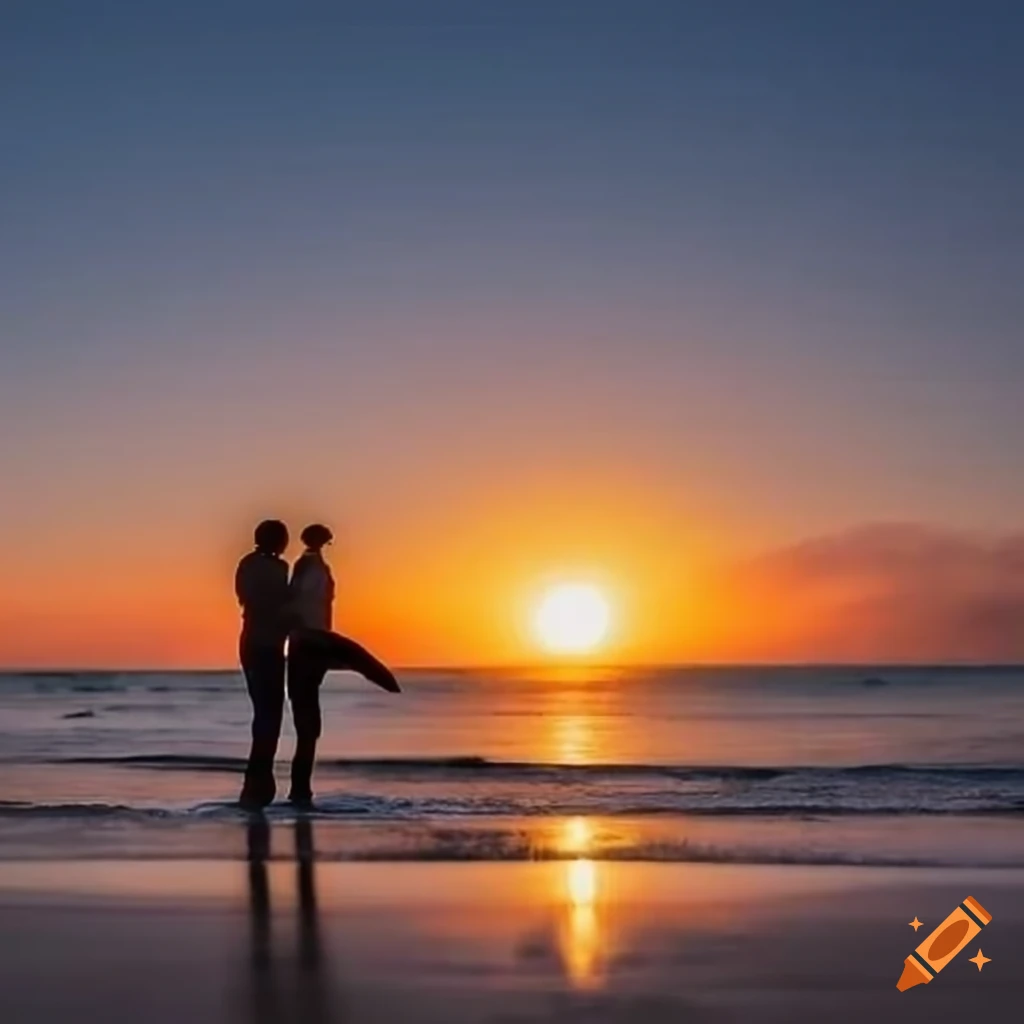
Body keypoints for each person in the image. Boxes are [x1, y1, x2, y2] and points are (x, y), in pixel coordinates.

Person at [235, 519, 291, 809]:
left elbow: (244, 598)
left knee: (266, 713)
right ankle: (258, 781)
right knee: (269, 714)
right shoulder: (274, 568)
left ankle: (258, 779)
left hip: (257, 642)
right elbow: (263, 602)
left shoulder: (248, 564)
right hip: (263, 644)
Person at [286, 523, 336, 807]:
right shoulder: (307, 566)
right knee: (308, 723)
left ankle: (302, 787)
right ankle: (300, 789)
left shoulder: (311, 565)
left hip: (315, 639)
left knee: (309, 722)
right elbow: (301, 601)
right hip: (308, 641)